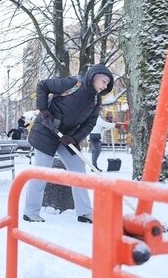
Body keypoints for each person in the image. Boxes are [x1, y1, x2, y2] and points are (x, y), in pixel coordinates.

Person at [23, 64, 114, 224]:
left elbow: (90, 124)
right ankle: (30, 212)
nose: (105, 86)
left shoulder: (95, 100)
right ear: (94, 75)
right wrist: (43, 109)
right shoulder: (73, 84)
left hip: (66, 137)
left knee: (78, 170)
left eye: (107, 84)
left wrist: (75, 138)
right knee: (42, 172)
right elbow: (42, 85)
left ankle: (84, 213)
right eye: (104, 81)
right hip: (46, 130)